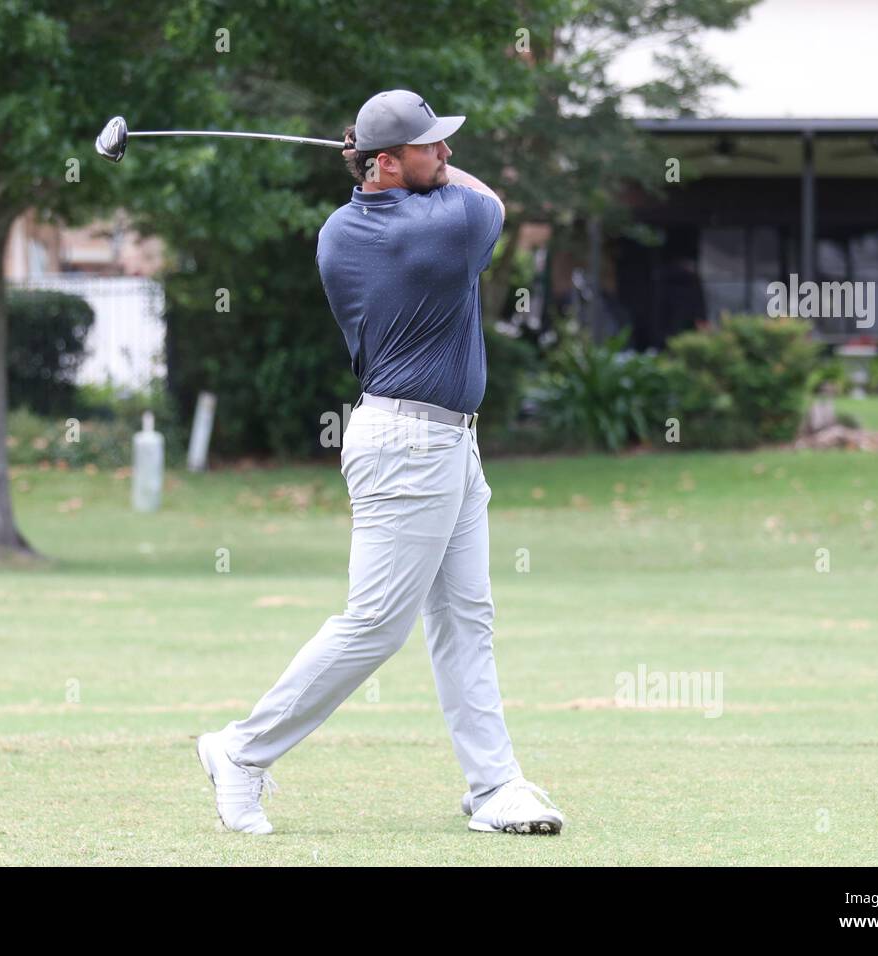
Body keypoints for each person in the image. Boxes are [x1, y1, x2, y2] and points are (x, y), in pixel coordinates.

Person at [196, 89, 564, 836]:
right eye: (433, 146)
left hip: (446, 443)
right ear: (389, 162)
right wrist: (380, 161)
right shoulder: (448, 225)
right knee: (375, 625)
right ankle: (241, 751)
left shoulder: (340, 229)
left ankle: (494, 787)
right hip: (409, 448)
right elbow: (488, 197)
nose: (450, 155)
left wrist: (380, 163)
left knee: (466, 618)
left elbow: (411, 190)